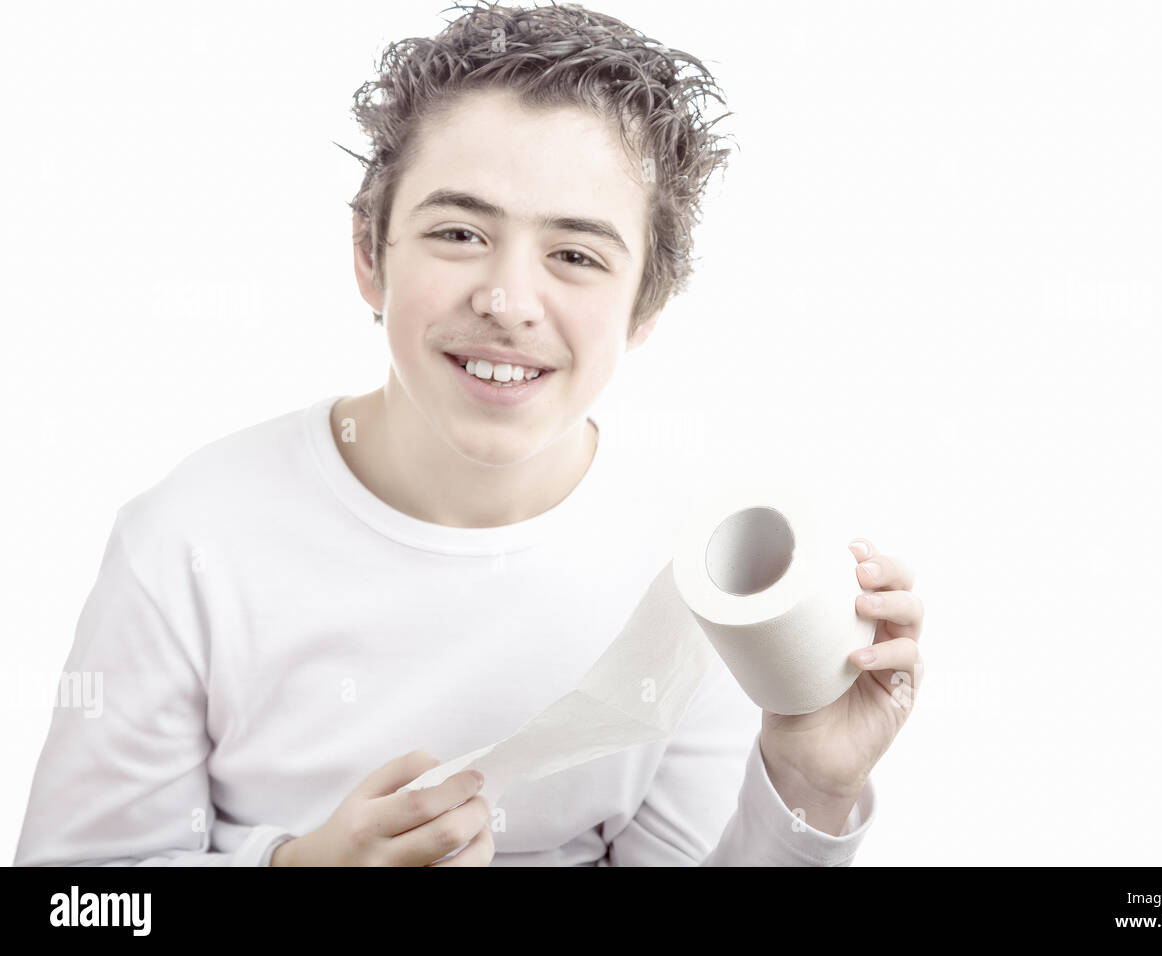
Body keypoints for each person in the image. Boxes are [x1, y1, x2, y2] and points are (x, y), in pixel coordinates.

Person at [14, 0, 924, 867]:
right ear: (370, 255)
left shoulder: (698, 575)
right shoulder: (186, 541)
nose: (506, 301)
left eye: (575, 255)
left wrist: (808, 786)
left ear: (645, 307)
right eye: (457, 232)